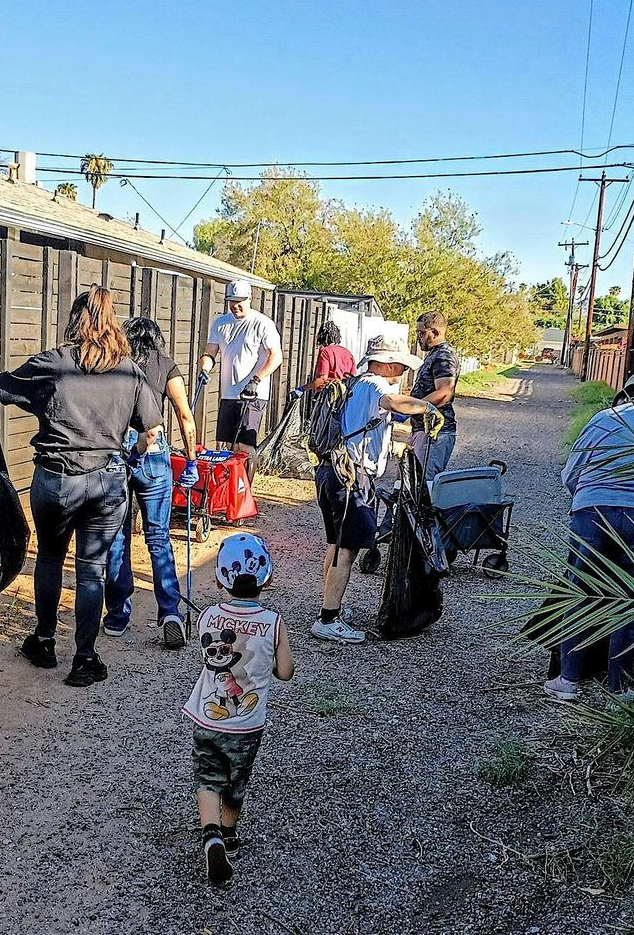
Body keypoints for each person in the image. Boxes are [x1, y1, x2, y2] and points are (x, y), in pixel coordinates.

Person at [0, 286, 163, 688]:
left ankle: (43, 641)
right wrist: (132, 455)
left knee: (51, 558)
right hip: (107, 483)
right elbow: (152, 431)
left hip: (55, 481)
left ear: (76, 320)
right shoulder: (129, 371)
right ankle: (85, 658)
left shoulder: (55, 362)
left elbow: (3, 385)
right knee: (91, 570)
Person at [543, 372, 634, 701]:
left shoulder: (604, 418)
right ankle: (620, 690)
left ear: (623, 396)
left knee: (581, 595)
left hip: (593, 513)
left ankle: (568, 682)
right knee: (627, 602)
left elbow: (571, 474)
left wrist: (586, 500)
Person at [311, 336, 444, 644]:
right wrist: (427, 408)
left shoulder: (355, 383)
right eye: (400, 364)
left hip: (332, 470)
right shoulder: (376, 385)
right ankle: (328, 619)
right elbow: (394, 403)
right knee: (347, 549)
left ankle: (329, 607)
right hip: (351, 476)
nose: (403, 370)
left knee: (337, 544)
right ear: (387, 363)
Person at [183, 533, 294, 885]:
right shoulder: (274, 623)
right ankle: (229, 834)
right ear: (268, 579)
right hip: (247, 724)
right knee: (236, 780)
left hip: (207, 717)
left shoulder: (207, 617)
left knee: (207, 777)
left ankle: (211, 835)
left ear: (219, 581)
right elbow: (285, 672)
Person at [103, 317, 199, 649]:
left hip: (119, 452)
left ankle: (117, 615)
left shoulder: (114, 364)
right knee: (158, 538)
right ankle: (170, 611)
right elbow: (185, 416)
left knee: (117, 538)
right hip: (155, 452)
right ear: (157, 339)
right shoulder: (166, 365)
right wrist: (191, 461)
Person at [197, 279, 282, 483]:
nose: (235, 305)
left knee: (245, 446)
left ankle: (246, 491)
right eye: (231, 301)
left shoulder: (262, 323)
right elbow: (210, 352)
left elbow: (276, 356)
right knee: (231, 446)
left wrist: (256, 379)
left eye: (239, 301)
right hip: (229, 393)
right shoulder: (220, 323)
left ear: (249, 298)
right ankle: (232, 489)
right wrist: (205, 368)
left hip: (253, 394)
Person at [409, 311, 461, 485]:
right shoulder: (435, 353)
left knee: (426, 486)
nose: (418, 338)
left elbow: (445, 393)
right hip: (424, 430)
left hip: (435, 432)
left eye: (421, 333)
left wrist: (410, 407)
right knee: (414, 484)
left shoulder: (443, 355)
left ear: (435, 332)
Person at [293, 320, 356, 395]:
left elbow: (322, 379)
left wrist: (301, 389)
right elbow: (352, 377)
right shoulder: (348, 353)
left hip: (327, 395)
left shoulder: (326, 351)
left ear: (322, 337)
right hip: (345, 396)